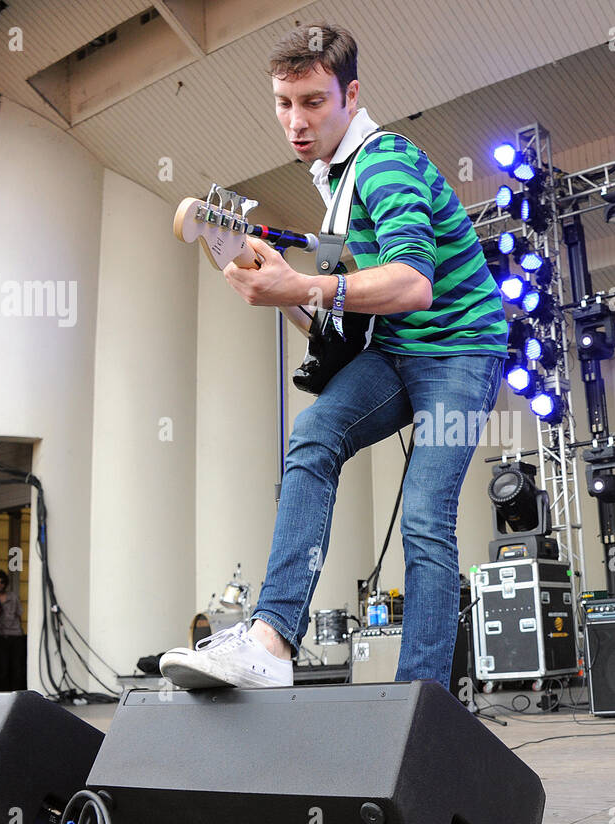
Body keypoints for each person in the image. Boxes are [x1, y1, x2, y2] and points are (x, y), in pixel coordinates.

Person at [161, 23, 505, 691]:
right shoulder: (334, 180)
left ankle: (423, 699)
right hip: (398, 348)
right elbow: (333, 320)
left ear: (351, 95)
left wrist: (306, 284)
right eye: (284, 103)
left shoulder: (385, 162)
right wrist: (280, 291)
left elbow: (413, 281)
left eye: (314, 102)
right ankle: (272, 640)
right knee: (312, 437)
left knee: (426, 516)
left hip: (462, 347)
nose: (295, 121)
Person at [0, 568, 25, 690]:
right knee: (2, 667)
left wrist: (21, 632)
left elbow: (19, 614)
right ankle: (3, 693)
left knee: (17, 667)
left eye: (2, 582)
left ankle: (16, 692)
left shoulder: (13, 596)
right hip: (0, 635)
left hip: (16, 635)